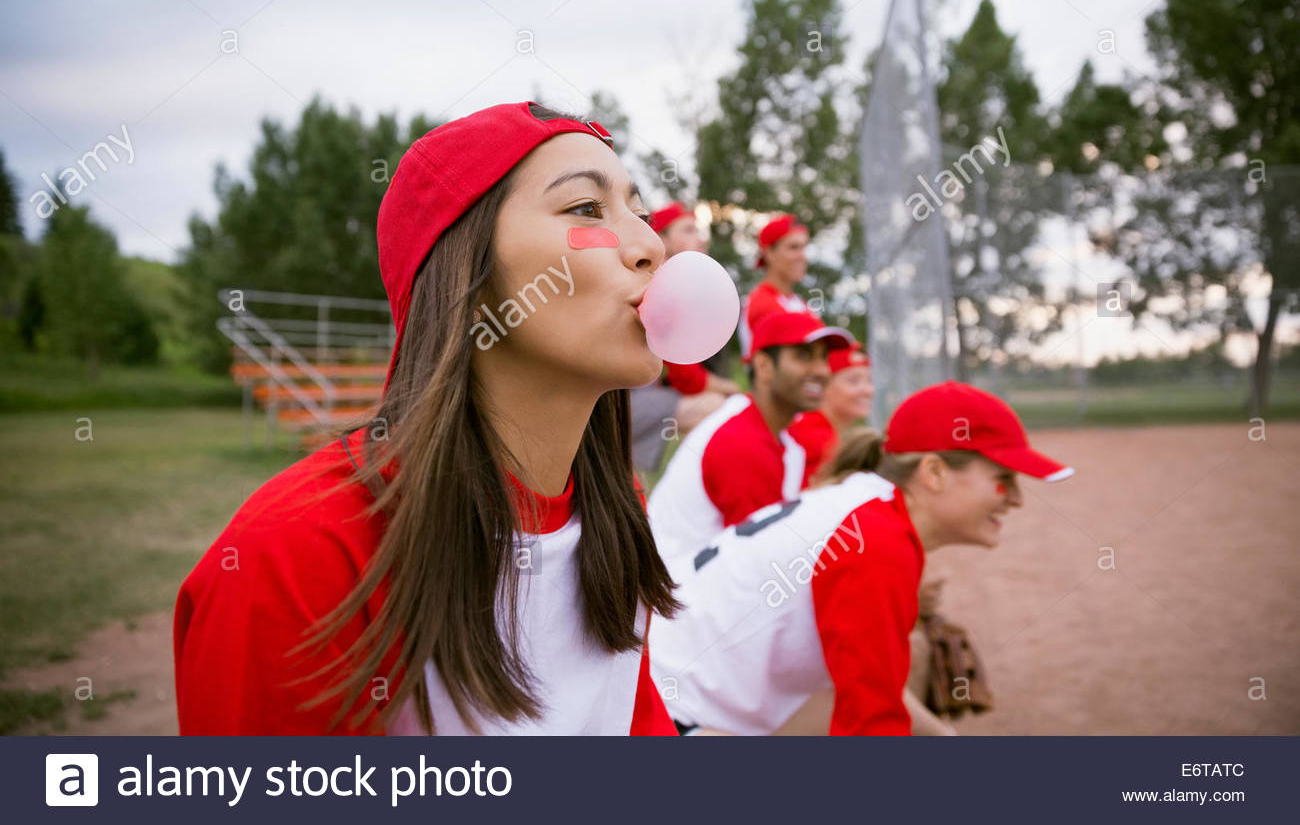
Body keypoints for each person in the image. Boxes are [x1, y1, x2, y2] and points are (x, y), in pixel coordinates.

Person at [173, 101, 681, 735]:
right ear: (467, 273)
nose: (651, 245)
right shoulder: (295, 551)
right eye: (585, 209)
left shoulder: (616, 509)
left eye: (640, 211)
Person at [649, 381, 1074, 736]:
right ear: (935, 472)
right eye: (1003, 480)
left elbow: (871, 697)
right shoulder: (876, 538)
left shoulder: (865, 506)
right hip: (654, 717)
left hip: (656, 693)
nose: (1017, 499)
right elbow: (870, 726)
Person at [647, 310, 852, 574]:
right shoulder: (742, 439)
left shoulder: (776, 436)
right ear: (764, 366)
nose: (822, 371)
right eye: (804, 356)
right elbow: (759, 565)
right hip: (676, 602)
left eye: (823, 358)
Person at [629, 202, 741, 474]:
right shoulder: (662, 285)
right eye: (688, 230)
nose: (701, 238)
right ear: (661, 239)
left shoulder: (674, 282)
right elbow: (686, 378)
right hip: (619, 404)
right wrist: (731, 388)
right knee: (719, 406)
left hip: (639, 398)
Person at [788, 340, 873, 487]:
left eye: (869, 380)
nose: (867, 390)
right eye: (854, 381)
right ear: (823, 386)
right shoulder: (815, 438)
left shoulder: (821, 430)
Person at [737, 213, 817, 359]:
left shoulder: (799, 303)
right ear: (768, 253)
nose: (803, 256)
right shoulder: (761, 303)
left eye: (804, 247)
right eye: (793, 247)